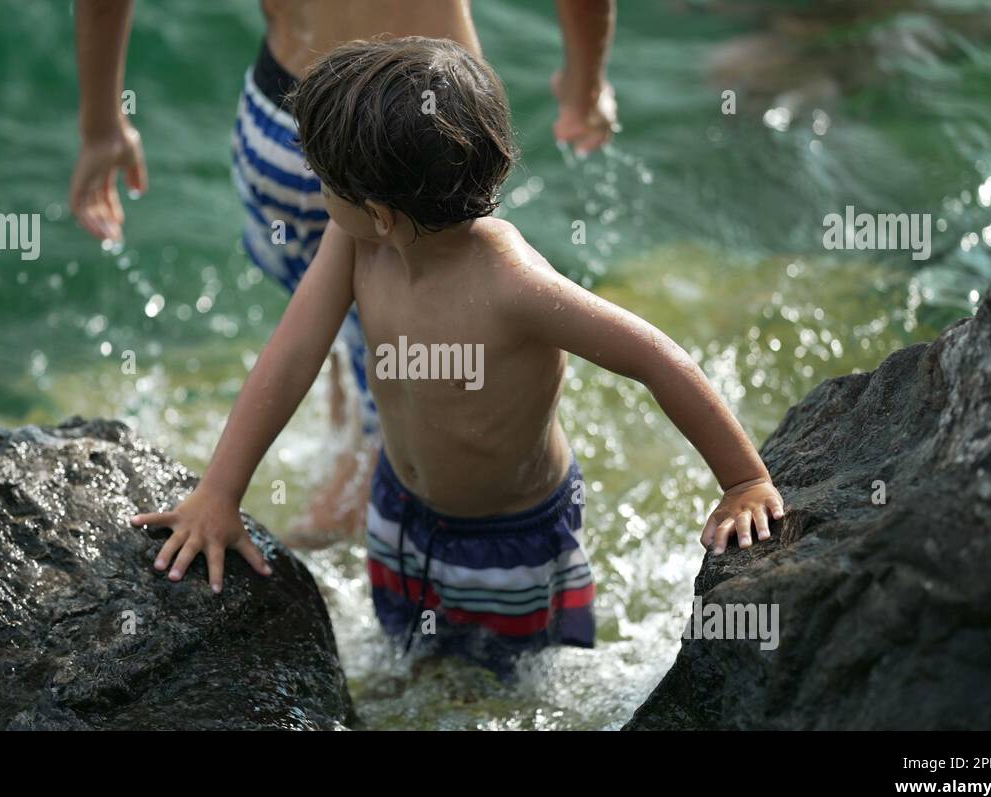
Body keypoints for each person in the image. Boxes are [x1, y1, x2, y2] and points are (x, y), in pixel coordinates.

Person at [131, 38, 783, 673]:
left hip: (509, 535)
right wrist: (219, 492)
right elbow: (294, 353)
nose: (320, 192)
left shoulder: (513, 285)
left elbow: (657, 358)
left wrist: (743, 480)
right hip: (399, 505)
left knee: (504, 683)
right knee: (406, 652)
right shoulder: (355, 242)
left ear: (381, 213)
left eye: (324, 181)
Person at [70, 0, 619, 542]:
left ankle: (336, 471)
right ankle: (336, 525)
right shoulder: (512, 279)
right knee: (406, 347)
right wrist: (585, 84)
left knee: (339, 317)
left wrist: (102, 126)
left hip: (281, 123)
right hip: (425, 140)